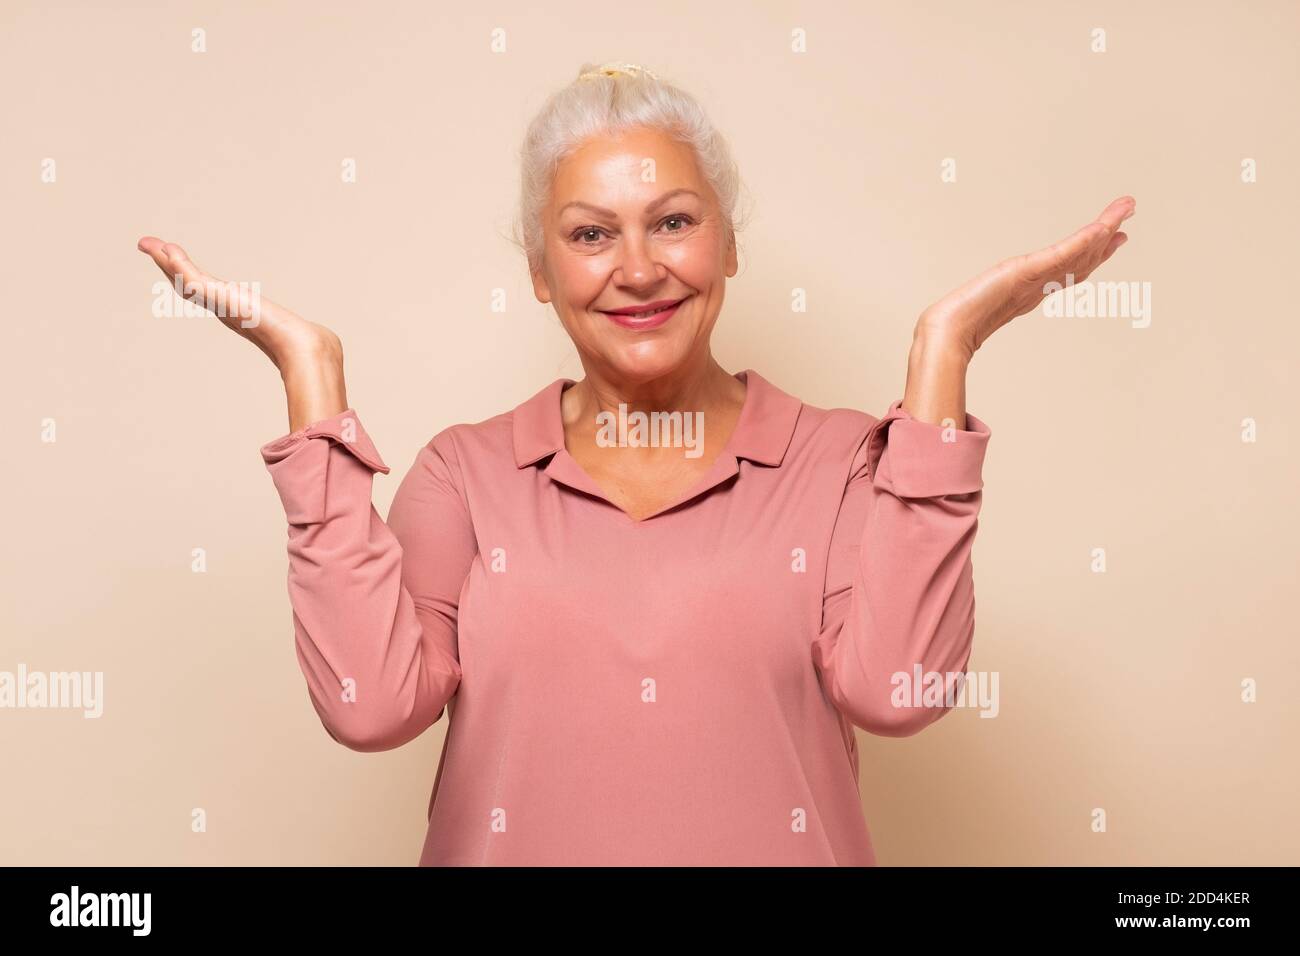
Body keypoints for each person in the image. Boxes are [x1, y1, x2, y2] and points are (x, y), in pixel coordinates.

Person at [136, 61, 1134, 865]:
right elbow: (369, 704)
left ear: (728, 243)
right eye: (588, 234)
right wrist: (312, 383)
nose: (639, 267)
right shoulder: (465, 476)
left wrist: (941, 357)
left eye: (672, 220)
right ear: (540, 271)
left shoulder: (836, 461)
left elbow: (899, 692)